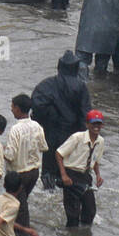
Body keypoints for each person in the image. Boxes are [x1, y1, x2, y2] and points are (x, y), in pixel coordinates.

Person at [30, 50, 91, 189]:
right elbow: (86, 114)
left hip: (51, 135)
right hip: (73, 137)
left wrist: (49, 118)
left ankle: (49, 195)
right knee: (71, 171)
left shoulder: (47, 84)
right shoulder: (81, 87)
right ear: (76, 68)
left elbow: (36, 105)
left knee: (49, 172)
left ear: (59, 67)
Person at [3, 95, 48, 229]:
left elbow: (10, 156)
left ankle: (23, 234)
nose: (11, 109)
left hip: (18, 175)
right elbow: (44, 147)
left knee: (20, 208)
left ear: (17, 108)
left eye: (12, 107)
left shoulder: (15, 129)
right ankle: (18, 229)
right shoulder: (37, 126)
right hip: (34, 173)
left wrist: (1, 150)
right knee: (21, 203)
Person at [56, 110, 105, 228]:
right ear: (87, 124)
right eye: (94, 124)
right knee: (73, 215)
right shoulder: (77, 138)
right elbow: (59, 153)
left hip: (85, 175)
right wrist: (64, 175)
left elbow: (95, 160)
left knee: (90, 211)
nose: (96, 127)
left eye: (99, 124)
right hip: (71, 174)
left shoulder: (100, 141)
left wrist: (98, 175)